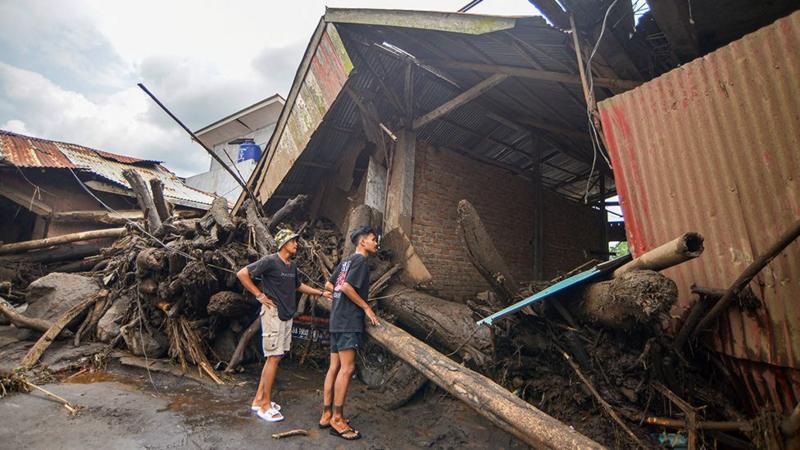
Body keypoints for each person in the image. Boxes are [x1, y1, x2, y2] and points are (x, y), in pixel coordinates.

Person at [237, 228, 331, 423]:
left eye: (295, 241)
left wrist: (321, 293)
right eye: (292, 241)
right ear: (283, 243)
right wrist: (259, 295)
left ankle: (258, 400)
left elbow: (298, 286)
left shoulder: (291, 265)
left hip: (286, 315)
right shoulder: (270, 261)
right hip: (273, 313)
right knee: (273, 357)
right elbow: (242, 274)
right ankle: (265, 406)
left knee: (276, 357)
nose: (296, 244)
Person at [318, 225, 380, 440]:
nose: (376, 242)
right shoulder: (361, 261)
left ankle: (326, 414)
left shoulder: (345, 262)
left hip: (336, 320)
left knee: (334, 367)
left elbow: (329, 286)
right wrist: (365, 307)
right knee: (347, 368)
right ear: (362, 242)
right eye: (373, 239)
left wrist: (335, 303)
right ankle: (337, 418)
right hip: (348, 322)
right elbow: (345, 287)